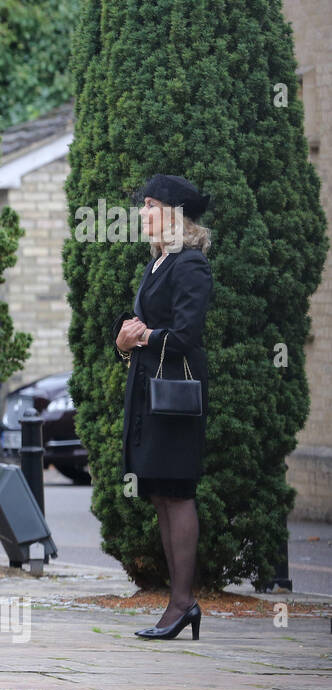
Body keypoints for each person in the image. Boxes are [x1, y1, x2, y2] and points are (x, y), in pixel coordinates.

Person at [113, 173, 213, 640]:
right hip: (149, 391)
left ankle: (182, 602)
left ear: (171, 214)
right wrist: (124, 340)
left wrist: (144, 336)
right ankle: (180, 602)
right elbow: (141, 326)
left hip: (175, 397)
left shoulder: (190, 264)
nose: (141, 213)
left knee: (178, 492)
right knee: (160, 494)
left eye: (149, 205)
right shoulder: (157, 263)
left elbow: (187, 335)